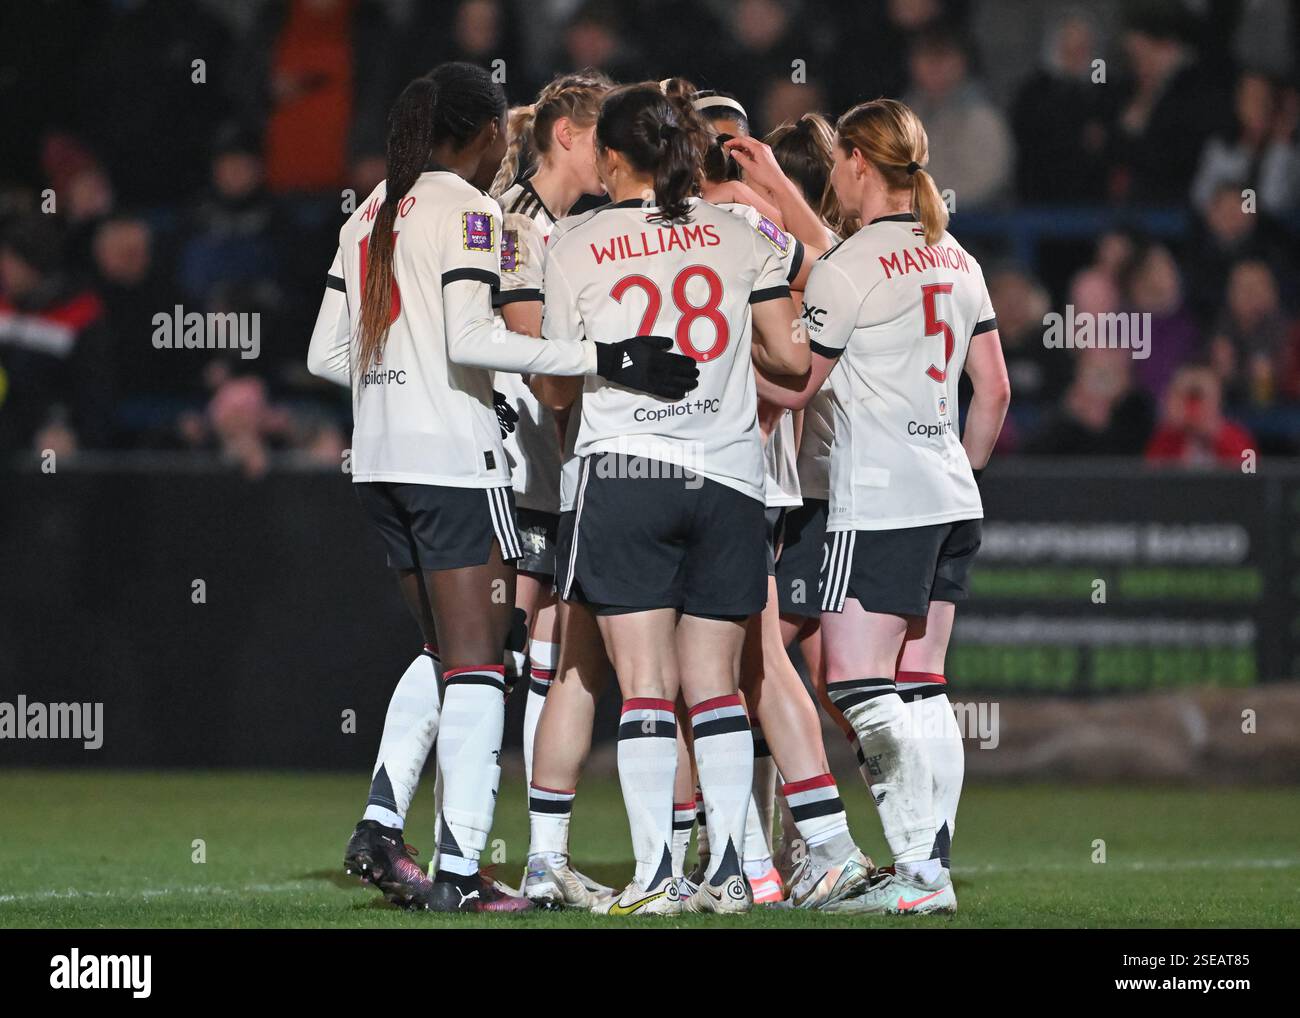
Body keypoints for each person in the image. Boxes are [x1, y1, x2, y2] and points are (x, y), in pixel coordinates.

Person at [306, 62, 698, 912]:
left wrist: (398, 385)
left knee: (451, 653)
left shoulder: (372, 207)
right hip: (457, 462)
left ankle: (389, 826)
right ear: (486, 134)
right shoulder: (476, 215)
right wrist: (612, 358)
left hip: (378, 460)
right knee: (484, 666)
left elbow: (324, 355)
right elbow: (477, 339)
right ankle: (459, 873)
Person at [540, 82, 808, 915]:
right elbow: (794, 362)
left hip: (624, 475)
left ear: (612, 156)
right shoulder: (737, 233)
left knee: (648, 687)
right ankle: (730, 872)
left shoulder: (574, 240)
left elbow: (551, 388)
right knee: (717, 688)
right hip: (728, 478)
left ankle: (658, 875)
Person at [760, 98, 1010, 914]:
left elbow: (801, 384)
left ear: (860, 164)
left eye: (840, 161)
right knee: (922, 682)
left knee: (859, 684)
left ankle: (917, 875)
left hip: (877, 500)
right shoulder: (959, 258)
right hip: (950, 495)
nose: (834, 172)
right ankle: (930, 852)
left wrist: (717, 377)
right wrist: (954, 470)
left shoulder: (851, 264)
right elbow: (996, 392)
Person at [486, 69, 617, 907]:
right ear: (568, 135)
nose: (616, 156)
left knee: (551, 658)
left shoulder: (578, 226)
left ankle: (540, 855)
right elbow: (544, 374)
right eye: (605, 137)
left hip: (559, 469)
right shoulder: (515, 227)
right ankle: (443, 842)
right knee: (494, 658)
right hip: (521, 467)